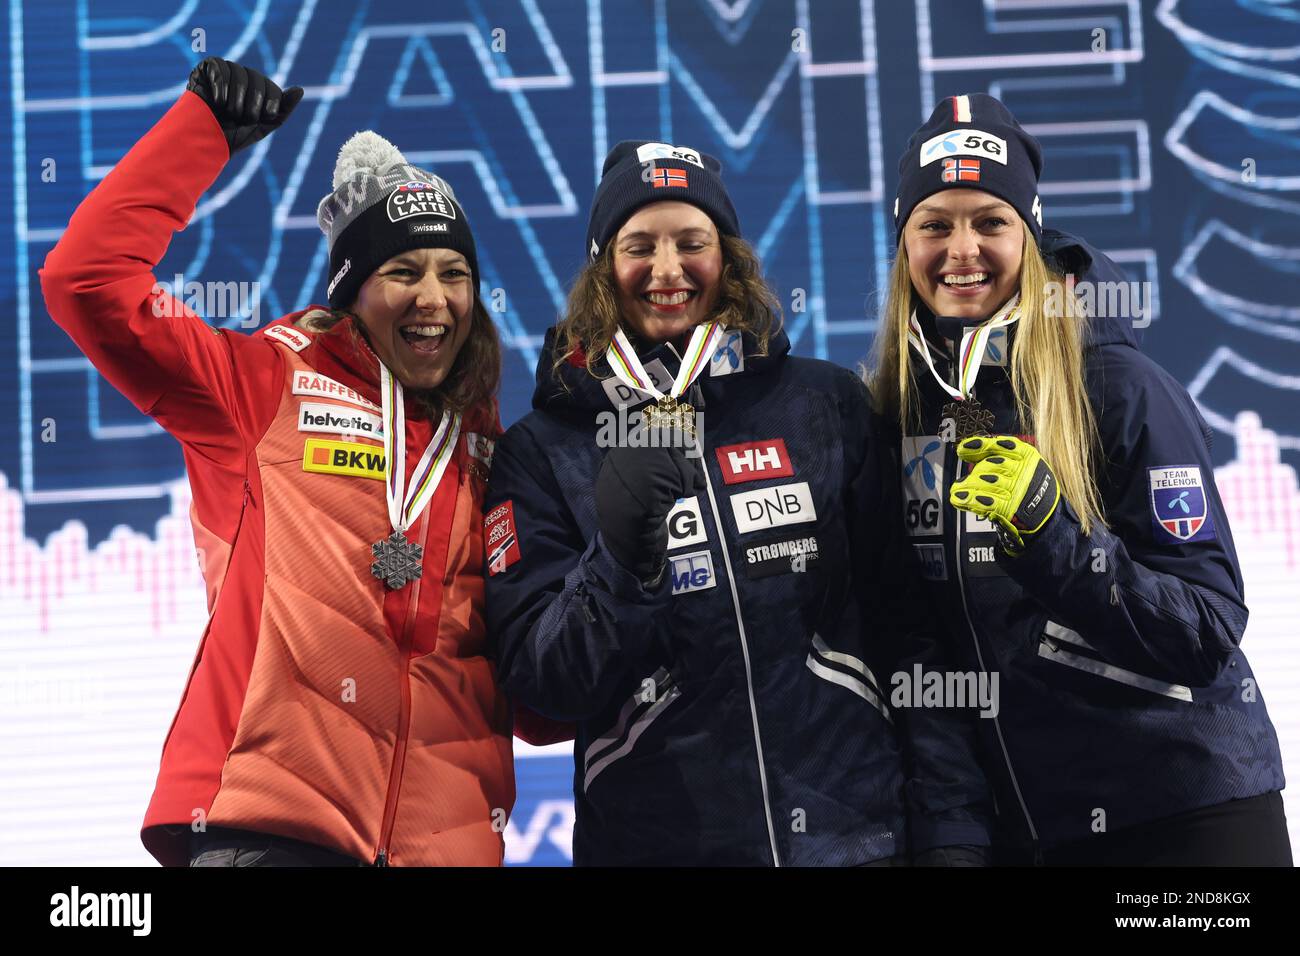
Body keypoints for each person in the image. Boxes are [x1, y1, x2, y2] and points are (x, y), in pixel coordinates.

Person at [40, 57, 554, 866]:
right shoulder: (261, 386)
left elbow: (541, 704)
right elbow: (87, 281)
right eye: (403, 271)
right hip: (271, 829)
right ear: (351, 288)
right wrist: (197, 135)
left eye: (456, 274)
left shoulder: (495, 460)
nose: (435, 297)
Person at [484, 140, 991, 865]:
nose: (667, 270)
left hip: (854, 844)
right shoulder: (543, 448)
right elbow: (545, 684)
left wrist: (955, 835)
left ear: (729, 261)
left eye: (692, 242)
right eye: (639, 245)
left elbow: (911, 635)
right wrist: (621, 562)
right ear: (602, 270)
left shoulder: (823, 405)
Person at [872, 93, 1290, 865]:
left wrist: (1051, 540)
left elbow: (1206, 629)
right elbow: (925, 652)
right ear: (904, 246)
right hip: (1034, 827)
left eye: (990, 222)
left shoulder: (1118, 385)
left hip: (1186, 810)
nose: (962, 249)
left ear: (1028, 237)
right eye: (935, 224)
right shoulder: (900, 413)